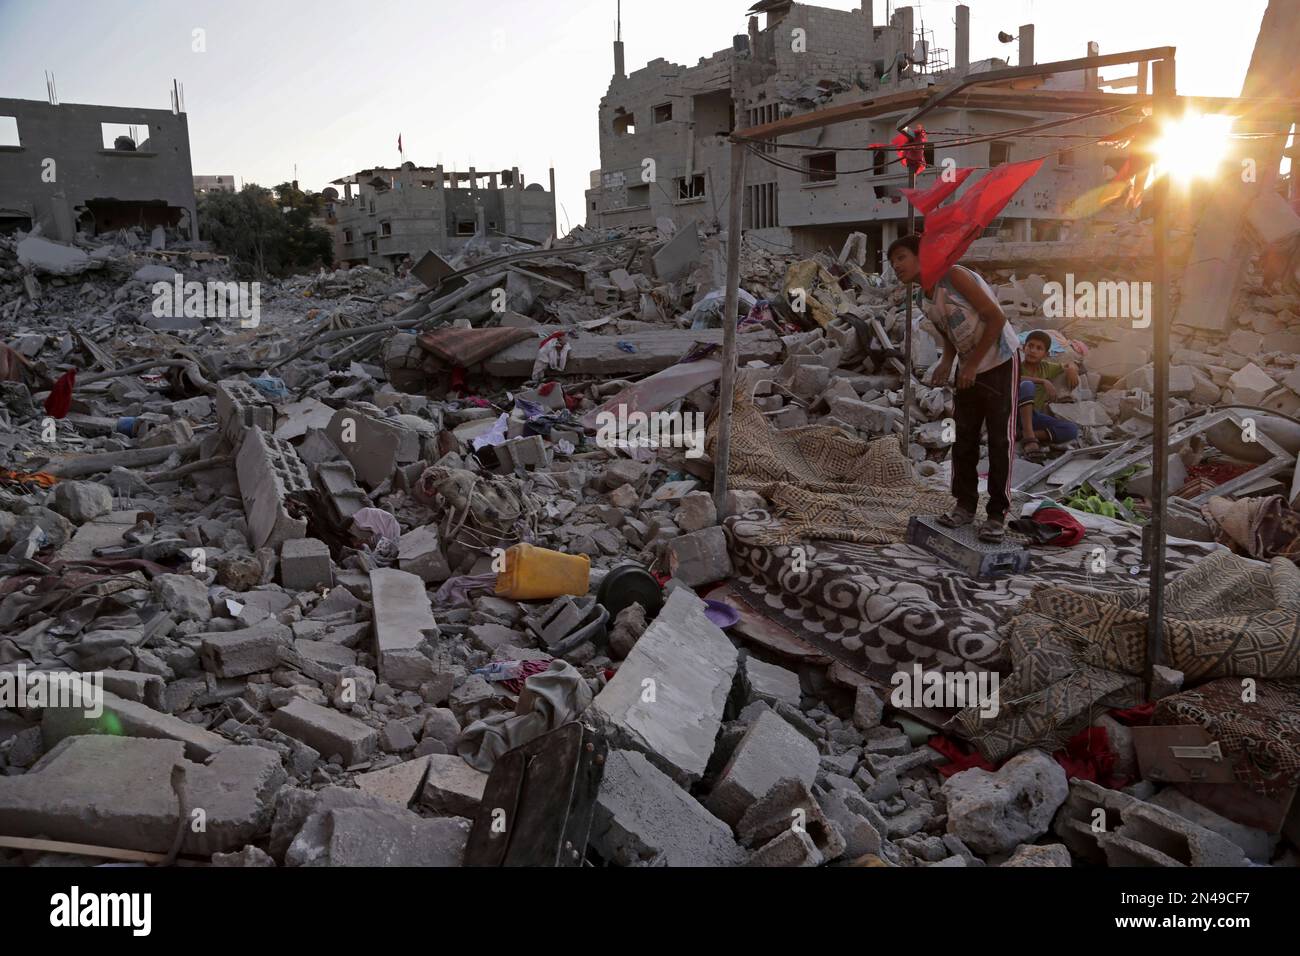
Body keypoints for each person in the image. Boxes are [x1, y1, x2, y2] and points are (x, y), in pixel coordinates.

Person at [887, 234, 1020, 542]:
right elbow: (948, 332)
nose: (896, 266)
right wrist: (947, 362)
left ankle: (997, 514)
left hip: (999, 361)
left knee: (1000, 440)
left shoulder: (955, 275)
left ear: (923, 256)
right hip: (968, 367)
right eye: (893, 262)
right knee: (964, 437)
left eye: (902, 258)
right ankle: (965, 505)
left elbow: (995, 318)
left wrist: (971, 364)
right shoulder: (924, 296)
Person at [1017, 330, 1081, 460]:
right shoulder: (1016, 365)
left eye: (1039, 348)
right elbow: (1013, 378)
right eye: (1030, 346)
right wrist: (1042, 381)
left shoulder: (1046, 367)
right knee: (1027, 385)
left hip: (1034, 416)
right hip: (1014, 413)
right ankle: (1030, 439)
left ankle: (1022, 434)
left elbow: (1069, 364)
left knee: (1071, 429)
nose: (1033, 350)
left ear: (1045, 354)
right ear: (1024, 349)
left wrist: (1072, 369)